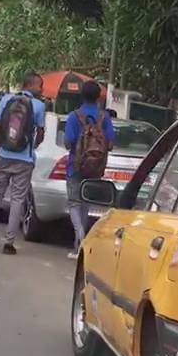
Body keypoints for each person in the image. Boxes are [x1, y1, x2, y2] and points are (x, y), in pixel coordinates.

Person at [0, 73, 46, 255]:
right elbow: (40, 134)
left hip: (3, 155)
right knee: (18, 199)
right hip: (24, 160)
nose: (41, 90)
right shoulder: (39, 106)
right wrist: (32, 147)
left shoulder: (6, 100)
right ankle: (9, 243)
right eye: (40, 86)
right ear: (32, 85)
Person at [62, 80, 116, 258]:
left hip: (75, 166)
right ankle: (80, 245)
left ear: (81, 95)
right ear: (98, 96)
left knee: (74, 203)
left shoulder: (74, 116)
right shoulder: (104, 117)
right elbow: (110, 144)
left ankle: (80, 240)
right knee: (85, 203)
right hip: (96, 168)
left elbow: (68, 141)